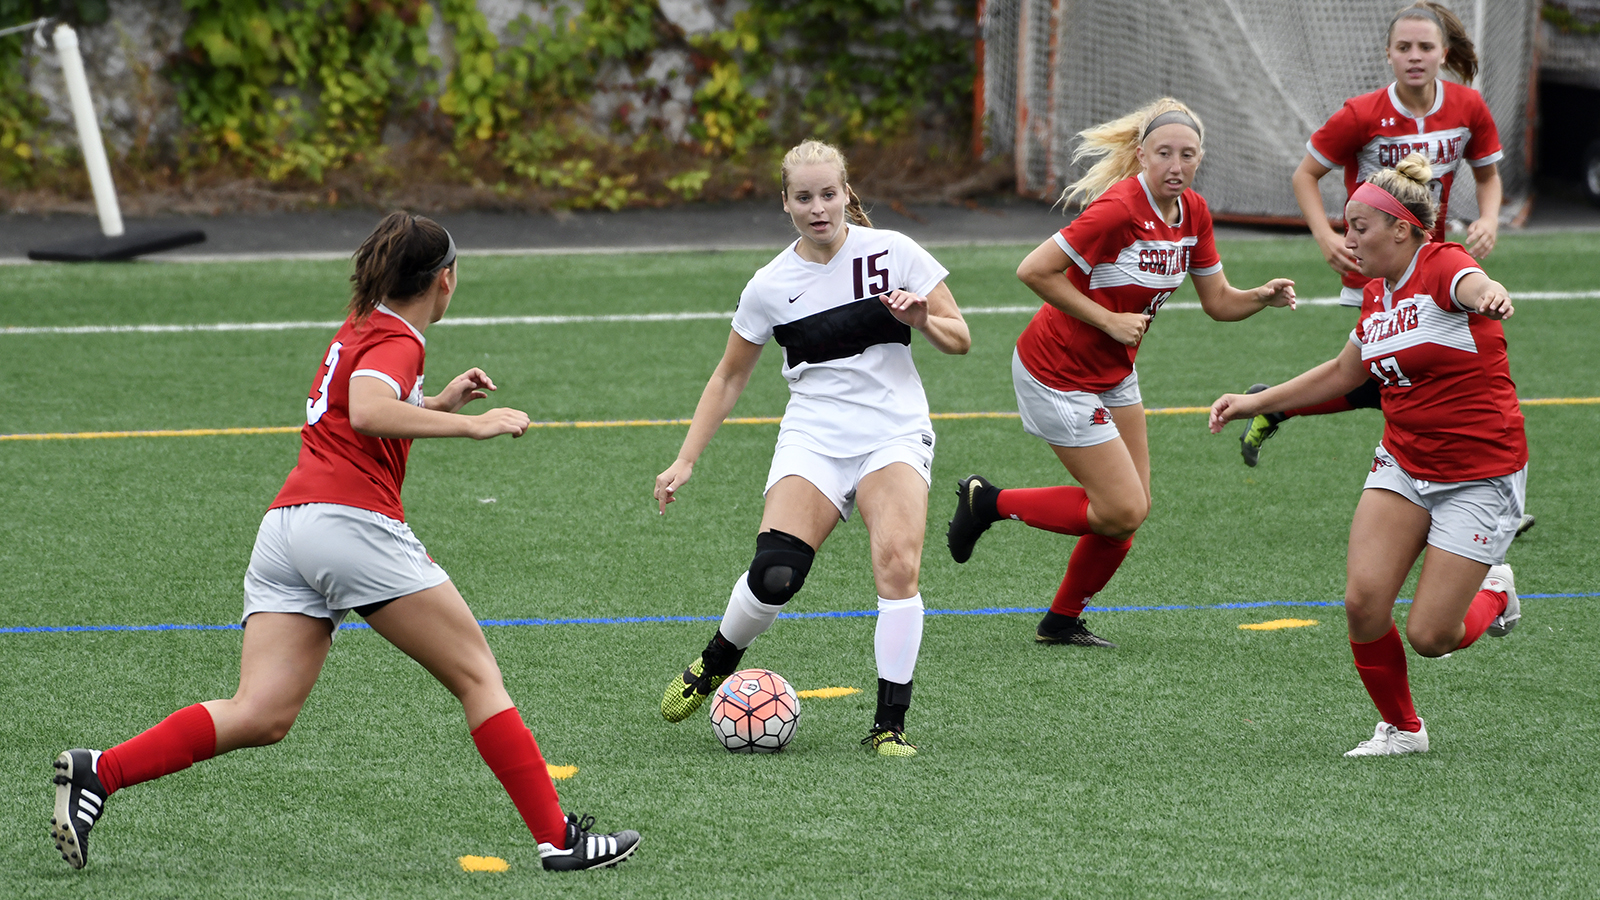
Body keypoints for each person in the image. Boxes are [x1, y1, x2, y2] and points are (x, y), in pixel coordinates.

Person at [50, 213, 638, 872]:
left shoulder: (362, 324)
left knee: (261, 712)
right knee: (478, 676)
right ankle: (559, 839)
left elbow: (358, 409)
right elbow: (367, 409)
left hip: (288, 528)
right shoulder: (401, 339)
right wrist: (472, 427)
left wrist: (439, 403)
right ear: (445, 280)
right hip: (349, 525)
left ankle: (101, 771)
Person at [652, 139, 970, 757]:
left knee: (898, 564)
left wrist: (923, 319)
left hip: (893, 432)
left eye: (828, 194)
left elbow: (959, 339)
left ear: (846, 193)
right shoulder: (769, 285)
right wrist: (685, 458)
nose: (818, 208)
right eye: (804, 197)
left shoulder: (894, 252)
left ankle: (889, 724)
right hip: (815, 436)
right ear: (786, 202)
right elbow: (729, 376)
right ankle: (716, 659)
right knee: (776, 573)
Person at [944, 98, 1296, 647]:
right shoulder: (1117, 209)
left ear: (1201, 158)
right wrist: (1108, 320)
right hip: (1056, 371)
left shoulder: (1194, 213)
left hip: (1112, 372)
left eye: (1187, 154)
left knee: (1129, 512)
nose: (1175, 165)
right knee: (1122, 508)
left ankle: (1060, 622)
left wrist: (1260, 296)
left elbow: (1219, 302)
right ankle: (986, 502)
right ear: (1142, 156)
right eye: (1164, 153)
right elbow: (1033, 270)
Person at [1209, 153, 1525, 756]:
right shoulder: (1376, 293)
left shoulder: (1443, 264)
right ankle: (1403, 730)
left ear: (1401, 230)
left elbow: (1474, 284)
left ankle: (1496, 591)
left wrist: (1491, 294)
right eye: (1346, 226)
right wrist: (1256, 402)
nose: (1347, 239)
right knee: (1362, 603)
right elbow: (1342, 373)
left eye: (1359, 227)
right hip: (1403, 462)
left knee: (1432, 636)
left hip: (1480, 473)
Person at [1237, 1, 1508, 473]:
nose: (1414, 56)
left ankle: (1277, 406)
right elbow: (1305, 175)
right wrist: (1326, 237)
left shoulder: (1468, 107)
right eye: (1403, 47)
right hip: (1378, 265)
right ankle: (1444, 473)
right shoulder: (1361, 114)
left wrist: (1489, 219)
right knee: (1392, 376)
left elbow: (1487, 176)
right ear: (1388, 54)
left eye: (1425, 46)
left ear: (1444, 53)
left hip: (1435, 265)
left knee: (1396, 376)